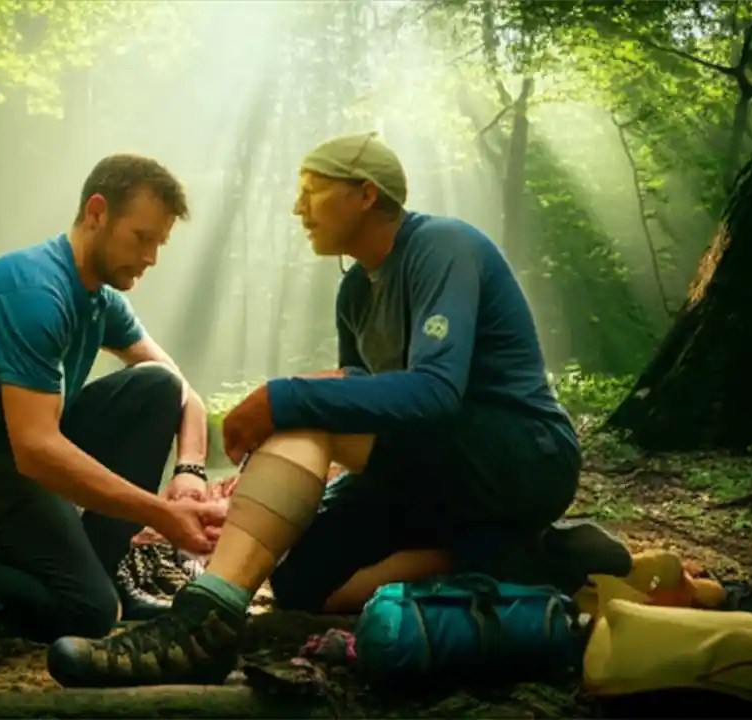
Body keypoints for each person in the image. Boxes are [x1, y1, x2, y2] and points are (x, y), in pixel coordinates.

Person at [44, 131, 633, 688]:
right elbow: (364, 400)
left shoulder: (442, 246)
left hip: (523, 454)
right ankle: (519, 557)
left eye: (312, 191)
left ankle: (202, 625)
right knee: (305, 581)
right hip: (435, 473)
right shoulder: (355, 291)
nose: (300, 208)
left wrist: (285, 396)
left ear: (365, 194)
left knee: (305, 409)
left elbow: (434, 392)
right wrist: (263, 491)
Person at [0, 153, 227, 643]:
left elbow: (182, 392)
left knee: (156, 386)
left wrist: (190, 471)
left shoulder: (100, 299)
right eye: (142, 237)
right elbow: (35, 450)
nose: (151, 257)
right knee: (86, 614)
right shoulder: (34, 294)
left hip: (24, 454)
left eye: (160, 243)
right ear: (97, 213)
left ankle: (101, 573)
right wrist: (161, 515)